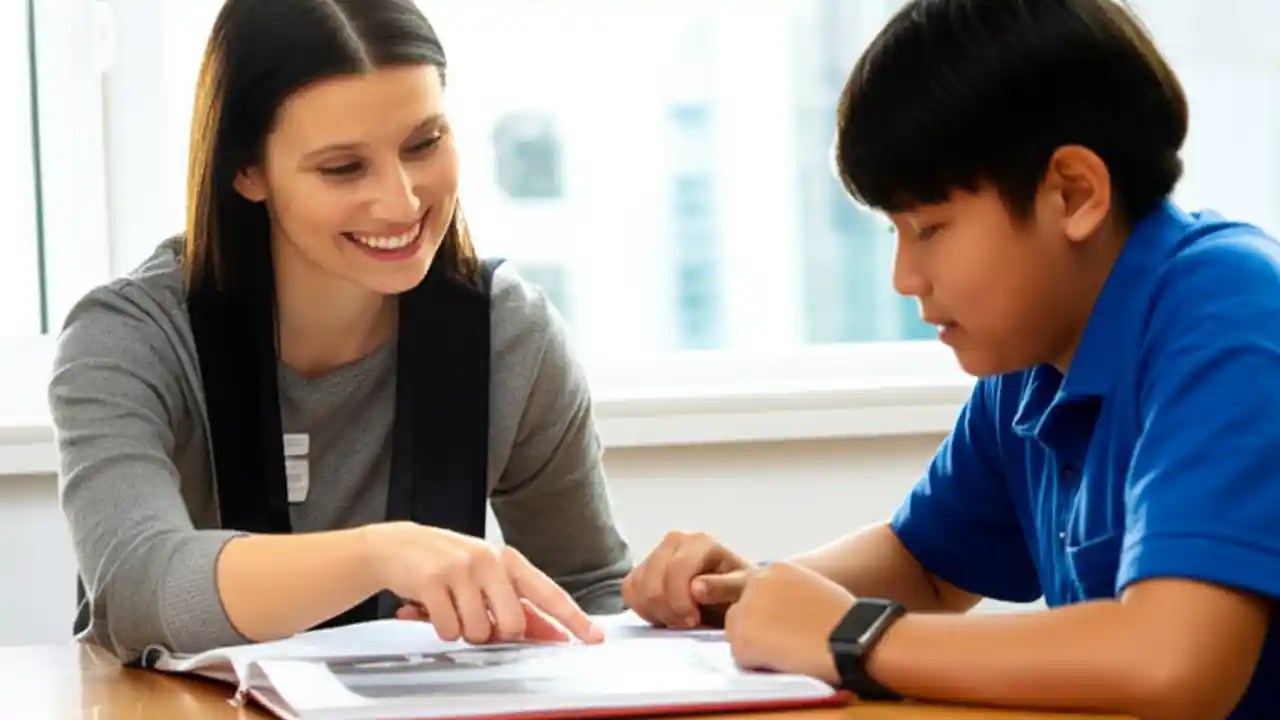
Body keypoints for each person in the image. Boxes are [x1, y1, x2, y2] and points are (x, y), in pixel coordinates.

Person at [622, 1, 1279, 717]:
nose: (904, 277)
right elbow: (926, 568)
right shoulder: (1035, 355)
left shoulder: (1232, 310)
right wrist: (749, 594)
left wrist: (850, 638)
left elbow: (1172, 663)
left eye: (929, 227)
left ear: (1074, 194)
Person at [50, 0, 631, 665]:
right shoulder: (129, 339)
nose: (402, 201)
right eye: (343, 168)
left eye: (424, 144)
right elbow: (137, 589)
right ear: (247, 170)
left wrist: (674, 606)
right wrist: (381, 553)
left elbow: (591, 592)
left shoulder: (510, 335)